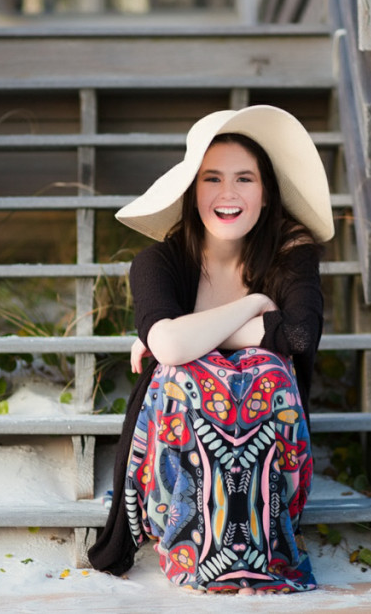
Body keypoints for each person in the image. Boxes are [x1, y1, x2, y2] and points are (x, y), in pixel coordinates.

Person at [87, 105, 334, 594]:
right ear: (191, 192)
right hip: (177, 467)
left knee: (264, 370)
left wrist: (197, 334)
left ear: (265, 195)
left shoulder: (289, 251)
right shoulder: (157, 262)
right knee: (180, 375)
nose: (228, 194)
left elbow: (301, 336)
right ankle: (195, 542)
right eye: (212, 179)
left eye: (245, 179)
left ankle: (258, 544)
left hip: (270, 467)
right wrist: (256, 309)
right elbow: (172, 346)